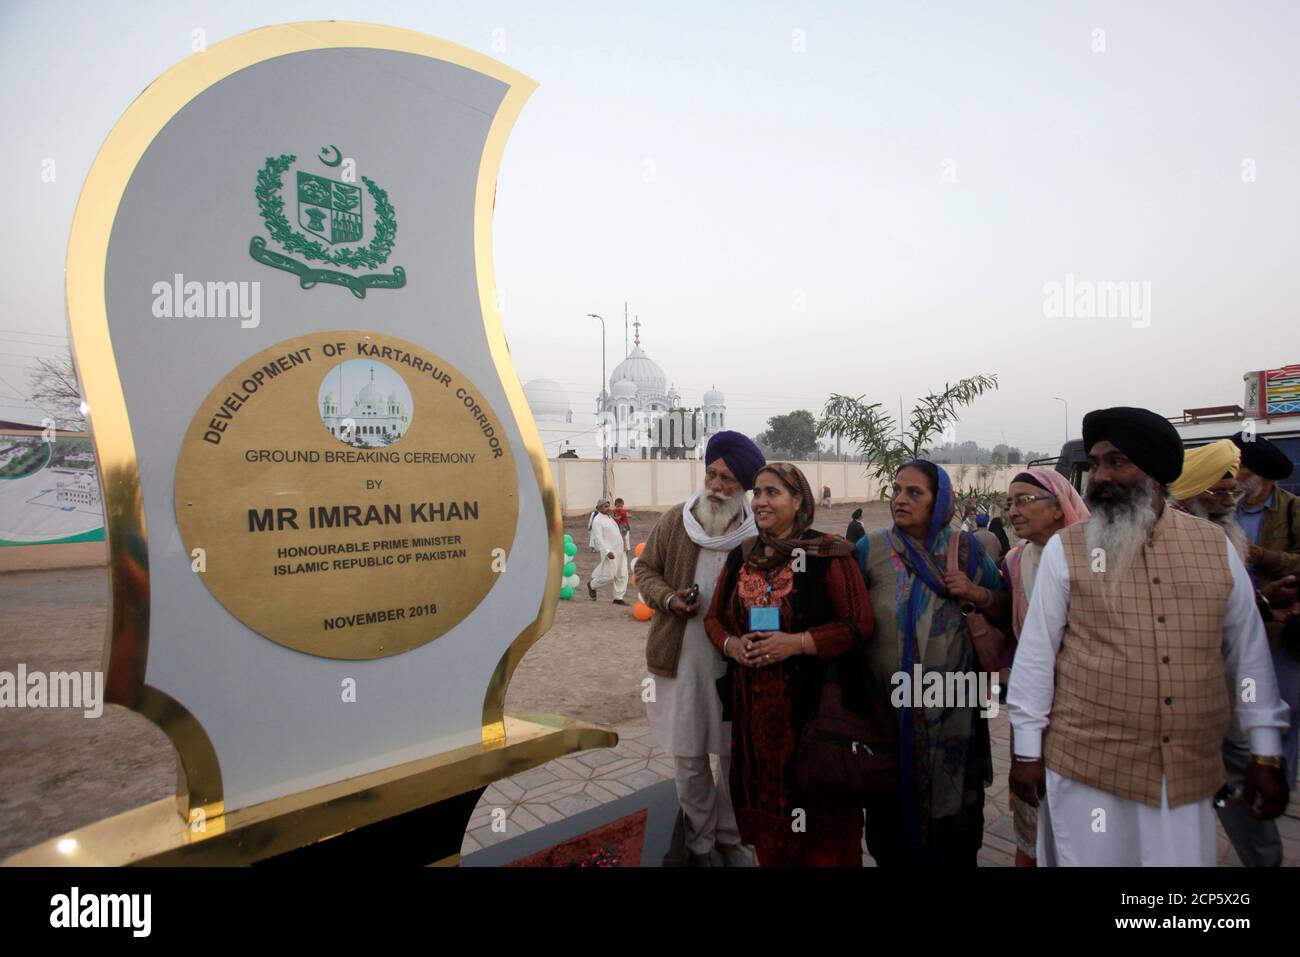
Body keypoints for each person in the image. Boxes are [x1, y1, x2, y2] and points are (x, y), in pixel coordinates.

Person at [1007, 407, 1290, 866]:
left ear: (1156, 472)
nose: (1099, 477)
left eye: (1116, 462)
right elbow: (1036, 658)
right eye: (1096, 464)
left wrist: (1265, 751)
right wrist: (1024, 752)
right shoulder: (1067, 550)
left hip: (1184, 774)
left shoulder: (1215, 547)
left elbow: (1249, 658)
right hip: (1088, 768)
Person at [704, 462, 875, 866]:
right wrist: (731, 646)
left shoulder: (828, 552)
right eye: (757, 492)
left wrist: (796, 644)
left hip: (816, 722)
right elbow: (714, 619)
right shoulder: (743, 555)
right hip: (756, 728)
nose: (761, 501)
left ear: (798, 501)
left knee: (824, 836)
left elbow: (858, 624)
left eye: (773, 492)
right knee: (771, 836)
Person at [854, 459, 1008, 866]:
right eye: (896, 490)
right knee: (891, 824)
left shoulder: (967, 549)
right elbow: (849, 617)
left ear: (938, 501)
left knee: (954, 830)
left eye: (914, 493)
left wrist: (976, 591)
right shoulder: (872, 549)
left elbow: (1002, 607)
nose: (900, 500)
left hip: (955, 714)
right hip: (889, 716)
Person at [636, 431, 764, 867]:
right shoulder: (678, 521)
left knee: (733, 759)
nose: (716, 486)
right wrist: (669, 600)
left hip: (735, 668)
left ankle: (731, 839)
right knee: (689, 758)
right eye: (711, 474)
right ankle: (700, 844)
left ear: (744, 486)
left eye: (727, 479)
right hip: (680, 661)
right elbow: (645, 569)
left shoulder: (757, 534)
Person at [998, 467, 1090, 866]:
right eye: (1009, 503)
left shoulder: (1092, 558)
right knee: (1031, 812)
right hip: (1034, 706)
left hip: (1088, 711)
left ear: (1059, 508)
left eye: (1024, 500)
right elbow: (1013, 633)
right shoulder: (1016, 560)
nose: (1013, 511)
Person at [1168, 439, 1247, 559]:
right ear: (1190, 493)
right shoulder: (1168, 535)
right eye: (1219, 492)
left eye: (1233, 491)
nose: (1231, 502)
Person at [587, 498, 629, 605]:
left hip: (620, 550)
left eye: (608, 506)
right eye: (605, 506)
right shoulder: (597, 520)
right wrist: (606, 552)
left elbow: (613, 532)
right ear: (598, 508)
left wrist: (623, 535)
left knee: (622, 573)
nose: (607, 508)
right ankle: (592, 585)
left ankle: (618, 598)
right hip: (610, 552)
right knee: (609, 575)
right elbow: (598, 538)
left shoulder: (610, 517)